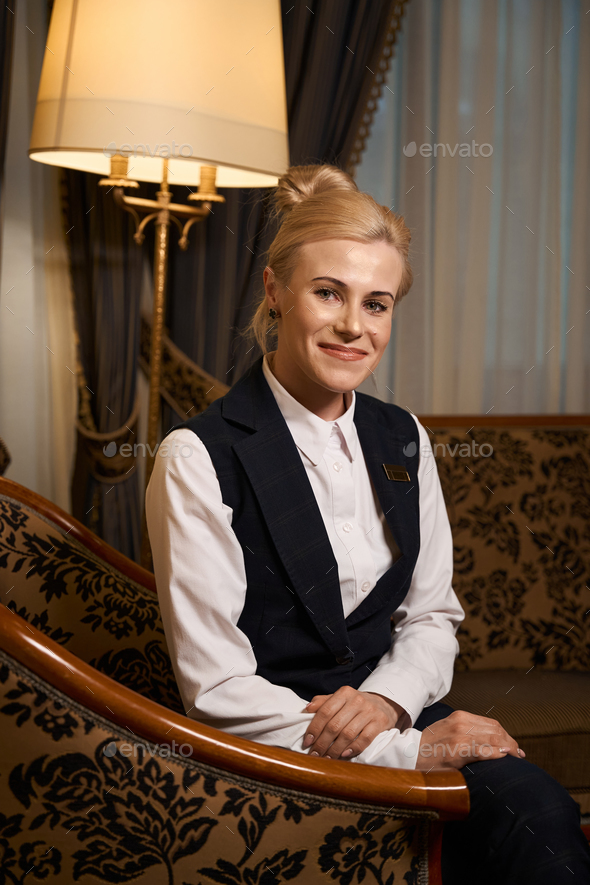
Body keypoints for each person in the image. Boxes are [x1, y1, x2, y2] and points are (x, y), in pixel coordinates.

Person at [145, 163, 590, 884]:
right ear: (275, 292)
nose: (354, 325)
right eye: (329, 293)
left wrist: (388, 701)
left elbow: (433, 615)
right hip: (275, 754)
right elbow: (218, 688)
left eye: (377, 303)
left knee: (542, 820)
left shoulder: (404, 435)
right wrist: (409, 752)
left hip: (404, 711)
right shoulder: (197, 455)